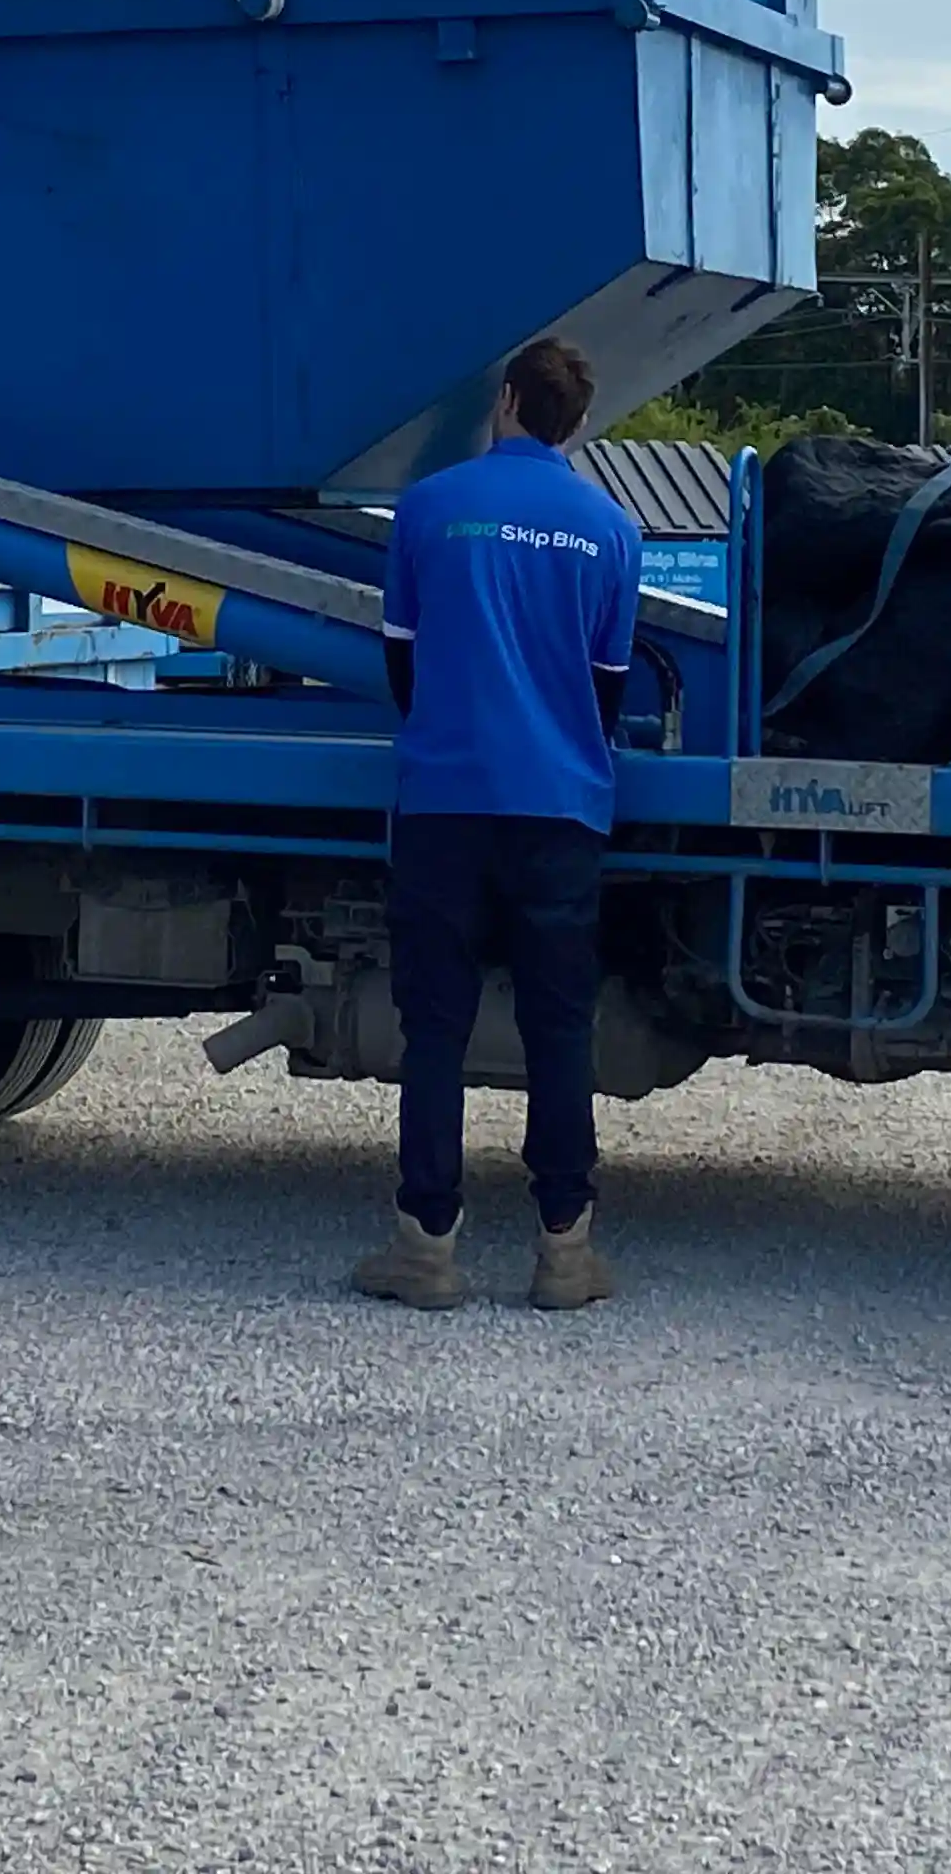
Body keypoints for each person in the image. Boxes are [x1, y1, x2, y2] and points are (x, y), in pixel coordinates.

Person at [352, 334, 644, 1313]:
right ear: (580, 424)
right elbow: (607, 690)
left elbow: (403, 660)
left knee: (433, 1028)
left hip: (444, 803)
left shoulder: (430, 508)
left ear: (506, 402)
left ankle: (425, 1250)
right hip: (560, 806)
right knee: (559, 1029)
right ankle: (565, 1253)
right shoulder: (610, 529)